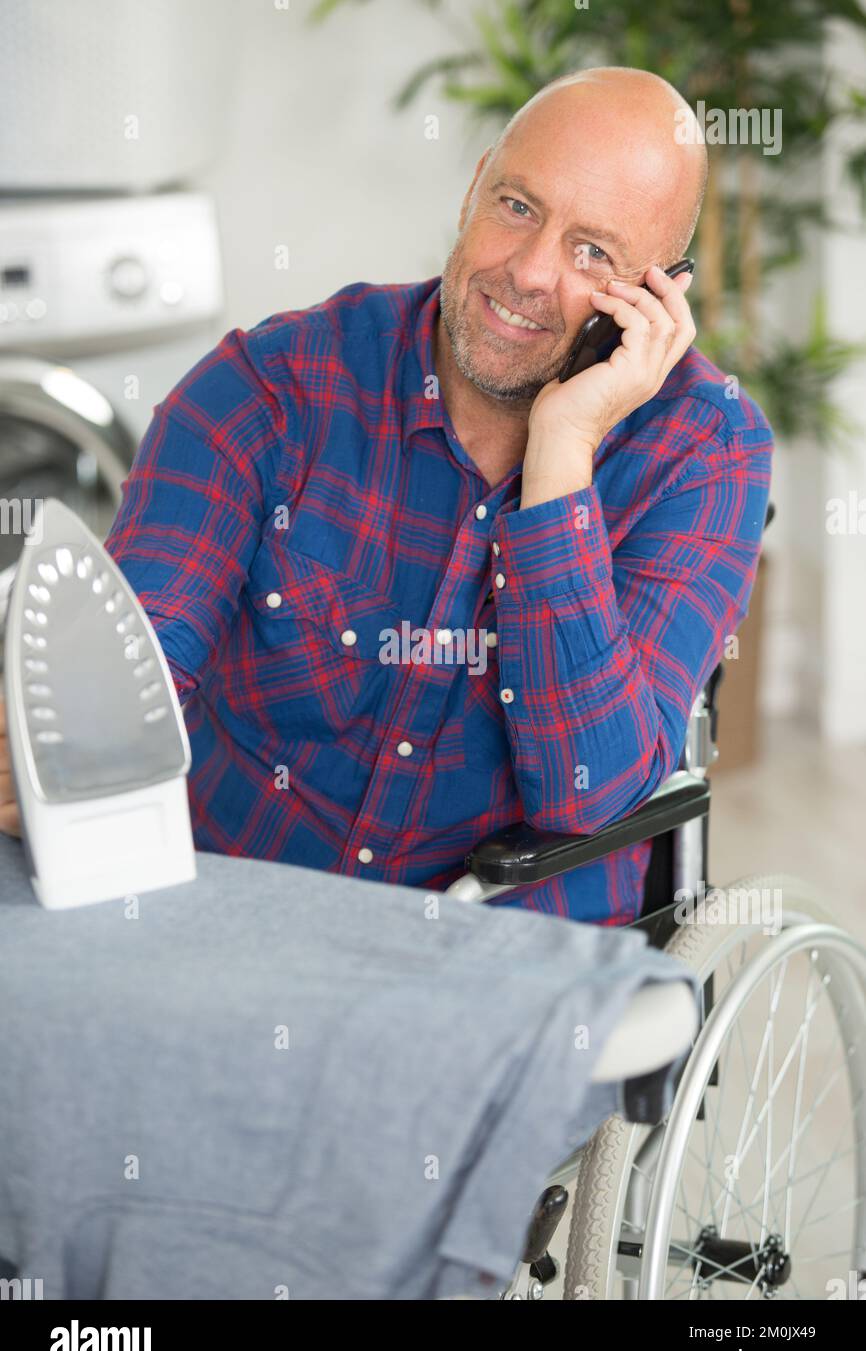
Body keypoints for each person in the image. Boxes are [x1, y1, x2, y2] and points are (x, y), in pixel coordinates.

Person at [0, 66, 772, 925]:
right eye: (517, 206)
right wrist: (76, 739)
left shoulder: (707, 451)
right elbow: (134, 662)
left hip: (503, 970)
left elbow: (585, 793)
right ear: (475, 186)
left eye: (593, 252)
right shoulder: (271, 391)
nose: (526, 272)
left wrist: (562, 456)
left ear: (660, 291)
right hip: (244, 919)